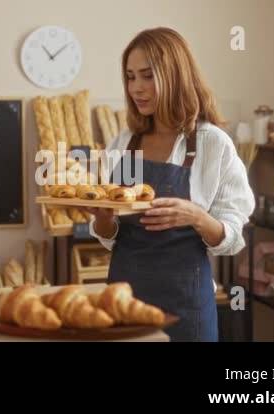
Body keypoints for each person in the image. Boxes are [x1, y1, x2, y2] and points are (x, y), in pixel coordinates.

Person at [85, 27, 254, 342]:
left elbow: (232, 239)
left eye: (148, 76)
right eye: (131, 77)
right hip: (124, 300)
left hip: (186, 305)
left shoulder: (210, 143)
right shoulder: (124, 142)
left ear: (174, 75)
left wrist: (197, 217)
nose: (137, 88)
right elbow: (111, 239)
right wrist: (103, 218)